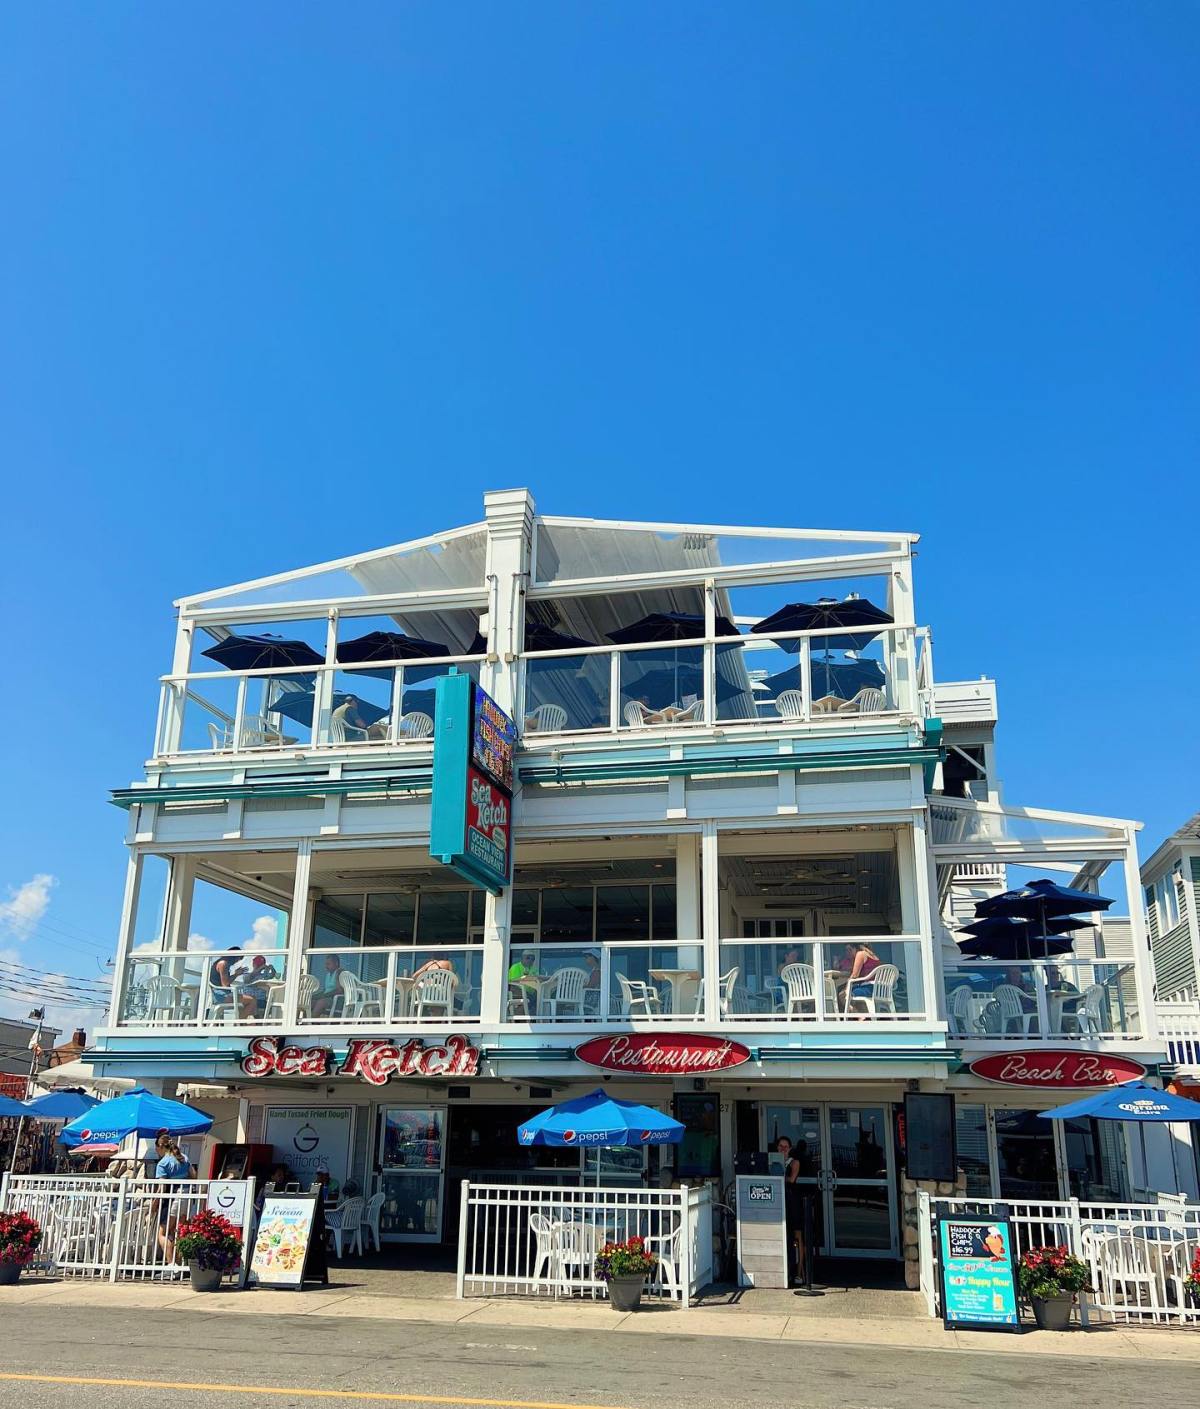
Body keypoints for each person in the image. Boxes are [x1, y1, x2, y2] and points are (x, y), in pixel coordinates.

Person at [153, 1130, 192, 1264]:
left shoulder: (163, 1163)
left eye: (156, 1148)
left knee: (162, 1233)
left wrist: (154, 1204)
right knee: (176, 1232)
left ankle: (171, 1265)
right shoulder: (184, 1158)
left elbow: (162, 1188)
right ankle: (179, 1264)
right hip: (187, 1197)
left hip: (173, 1198)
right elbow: (193, 1176)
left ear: (160, 1147)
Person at [774, 1135, 806, 1286]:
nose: (783, 1149)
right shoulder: (773, 1162)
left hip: (792, 1200)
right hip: (779, 1201)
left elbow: (792, 1179)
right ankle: (784, 1271)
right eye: (780, 1146)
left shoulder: (794, 1162)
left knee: (797, 1235)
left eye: (786, 1146)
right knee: (784, 1236)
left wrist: (778, 1178)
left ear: (790, 1148)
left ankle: (799, 1273)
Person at [210, 946, 256, 1019]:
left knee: (245, 1002)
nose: (236, 962)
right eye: (238, 959)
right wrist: (236, 974)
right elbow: (225, 984)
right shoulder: (223, 964)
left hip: (220, 994)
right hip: (221, 996)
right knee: (252, 1000)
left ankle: (240, 1022)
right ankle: (239, 1023)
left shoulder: (222, 963)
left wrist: (236, 974)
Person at [844, 943, 881, 1011]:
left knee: (842, 994)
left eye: (850, 950)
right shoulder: (874, 956)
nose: (848, 953)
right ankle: (861, 1014)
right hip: (879, 989)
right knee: (853, 992)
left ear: (856, 948)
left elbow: (854, 975)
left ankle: (858, 1015)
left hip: (868, 989)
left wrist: (847, 987)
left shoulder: (860, 954)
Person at [507, 950, 542, 1015]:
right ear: (522, 958)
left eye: (532, 959)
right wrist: (523, 978)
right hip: (517, 991)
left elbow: (538, 979)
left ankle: (537, 1015)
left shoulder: (534, 969)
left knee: (541, 996)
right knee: (532, 999)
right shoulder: (515, 967)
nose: (530, 960)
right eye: (528, 958)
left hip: (530, 992)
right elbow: (512, 982)